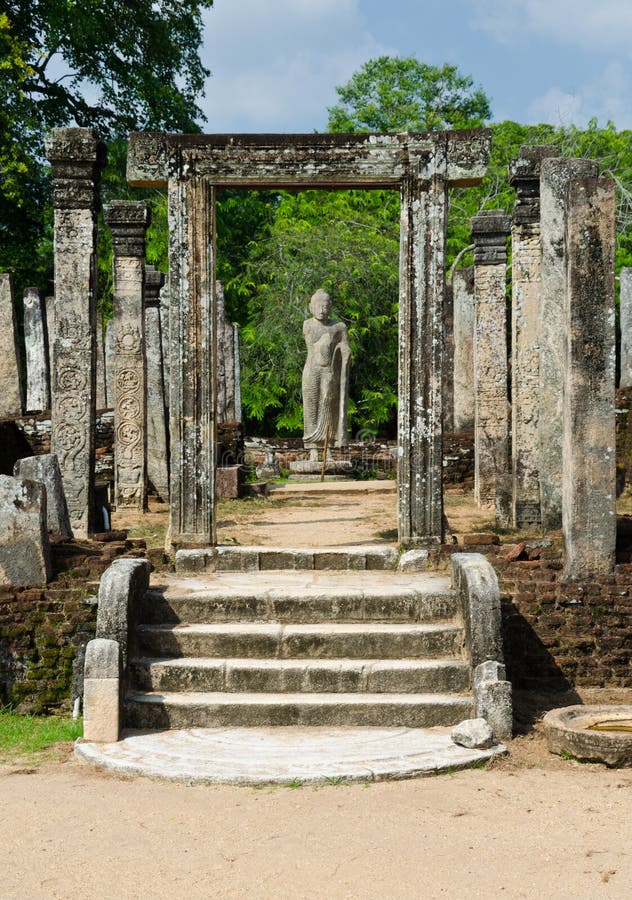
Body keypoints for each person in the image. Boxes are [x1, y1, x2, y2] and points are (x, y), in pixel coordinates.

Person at [301, 289, 350, 460]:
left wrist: (344, 349)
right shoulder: (308, 324)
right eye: (318, 306)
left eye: (325, 306)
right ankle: (313, 449)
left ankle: (327, 447)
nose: (322, 310)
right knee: (311, 408)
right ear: (311, 307)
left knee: (328, 407)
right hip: (312, 369)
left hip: (329, 370)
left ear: (330, 307)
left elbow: (345, 347)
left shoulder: (339, 327)